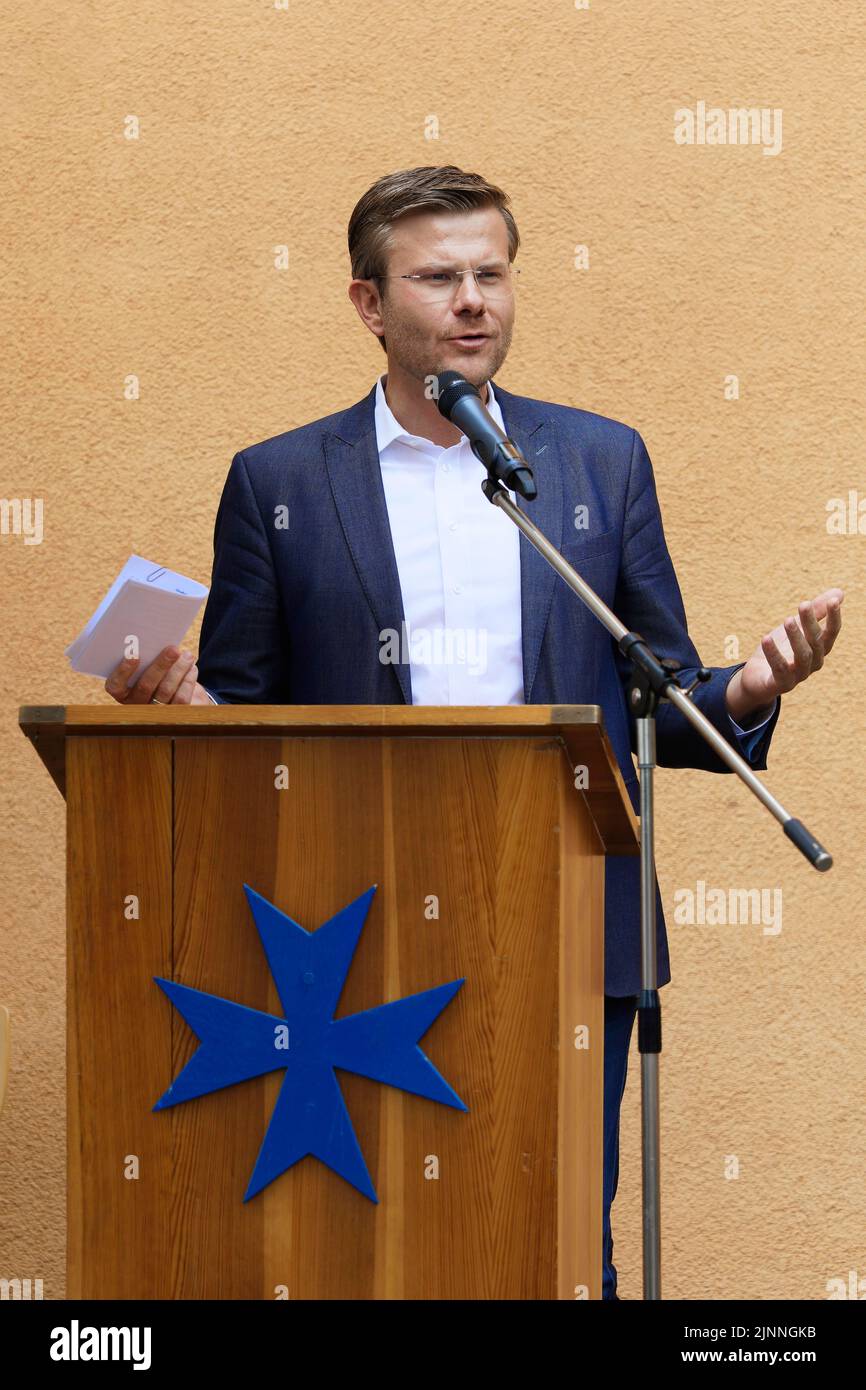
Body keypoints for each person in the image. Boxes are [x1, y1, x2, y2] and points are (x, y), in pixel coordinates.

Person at [104, 165, 843, 1299]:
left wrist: (744, 688)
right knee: (375, 1241)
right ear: (367, 303)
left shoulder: (597, 462)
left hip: (561, 900)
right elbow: (248, 722)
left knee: (552, 1241)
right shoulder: (280, 480)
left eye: (490, 275)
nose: (471, 302)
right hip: (347, 923)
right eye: (437, 277)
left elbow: (651, 685)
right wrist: (187, 712)